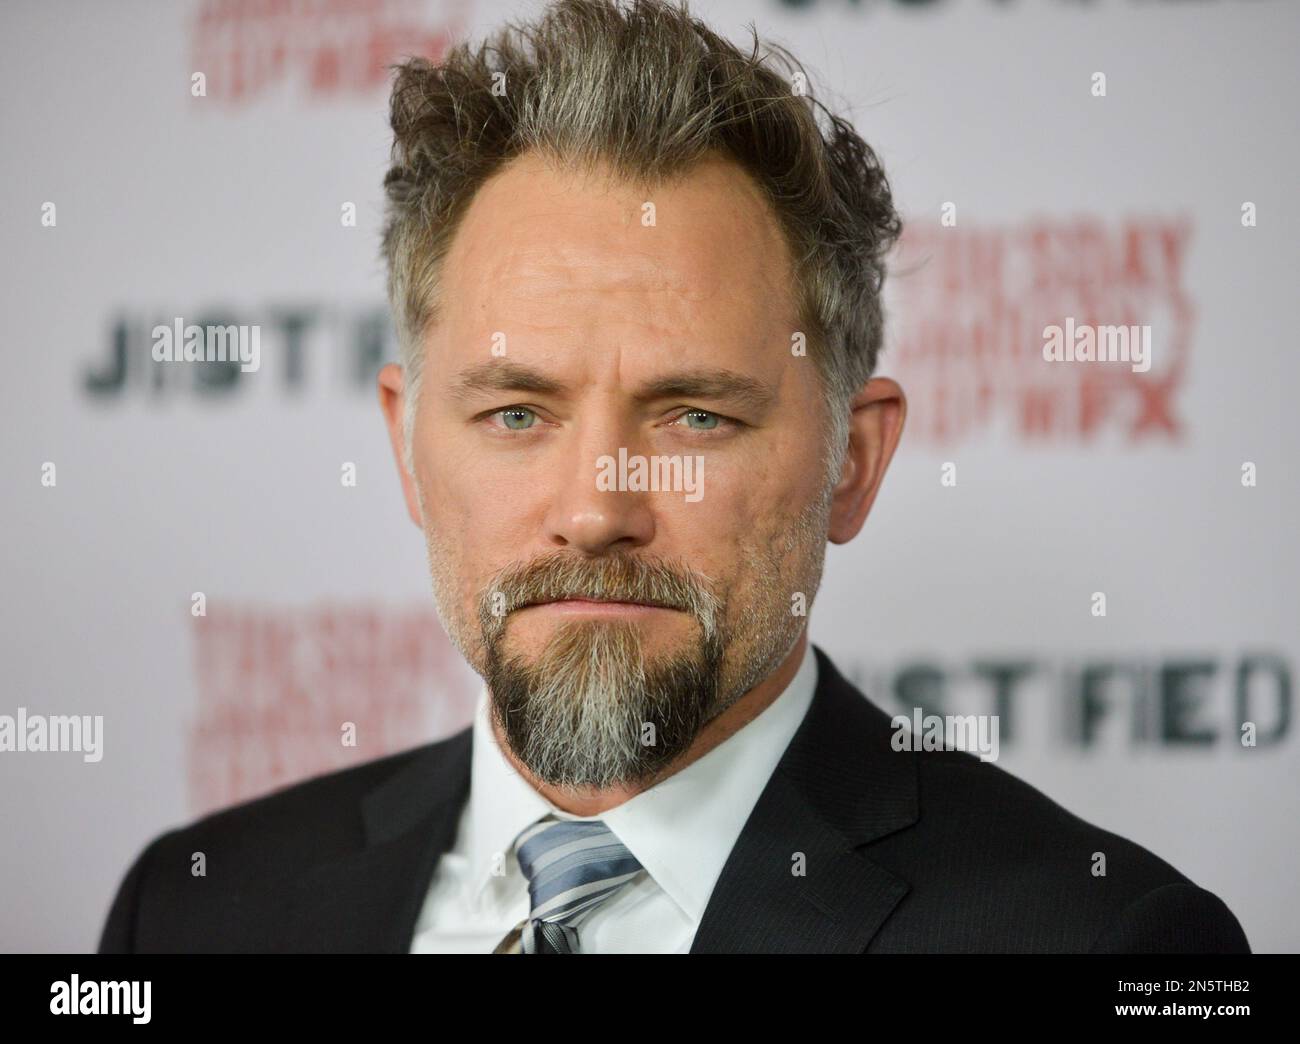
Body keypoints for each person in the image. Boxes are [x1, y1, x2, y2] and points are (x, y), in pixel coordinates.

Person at [98, 0, 1249, 954]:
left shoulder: (1102, 940)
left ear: (852, 462)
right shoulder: (196, 909)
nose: (595, 510)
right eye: (515, 413)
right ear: (407, 447)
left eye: (696, 416)